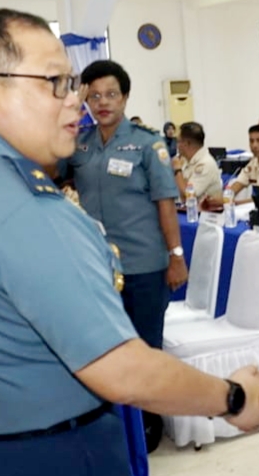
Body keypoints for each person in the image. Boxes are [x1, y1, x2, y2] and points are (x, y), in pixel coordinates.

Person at [0, 9, 259, 476]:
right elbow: (123, 369)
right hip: (48, 452)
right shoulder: (26, 210)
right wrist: (233, 398)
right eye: (55, 83)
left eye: (73, 84)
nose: (76, 100)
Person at [69, 60, 186, 352]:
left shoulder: (147, 143)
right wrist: (69, 113)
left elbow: (165, 203)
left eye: (111, 94)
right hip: (96, 266)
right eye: (94, 96)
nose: (102, 103)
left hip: (142, 266)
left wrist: (176, 257)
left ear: (124, 97)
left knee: (146, 351)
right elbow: (46, 167)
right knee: (104, 351)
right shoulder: (78, 143)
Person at [171, 121, 222, 201]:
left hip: (201, 209)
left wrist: (177, 170)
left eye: (178, 141)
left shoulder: (205, 164)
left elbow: (188, 196)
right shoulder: (186, 161)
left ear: (187, 143)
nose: (177, 145)